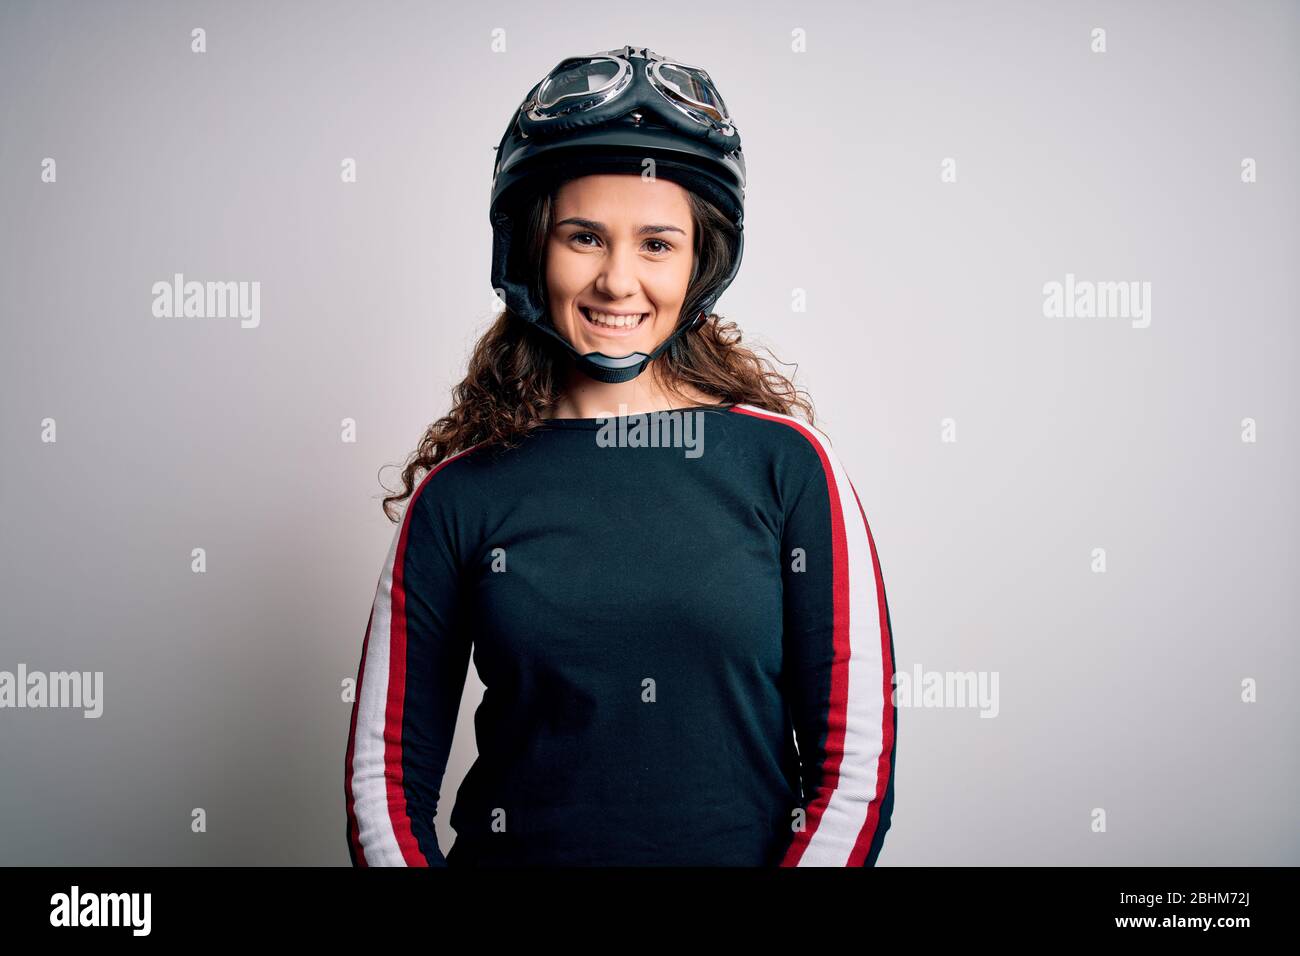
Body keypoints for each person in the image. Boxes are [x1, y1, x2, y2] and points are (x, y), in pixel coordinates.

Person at [344, 45, 896, 866]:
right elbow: (383, 782)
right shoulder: (459, 497)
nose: (616, 280)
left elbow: (855, 766)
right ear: (532, 248)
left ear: (699, 263)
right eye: (585, 237)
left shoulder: (789, 468)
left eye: (656, 244)